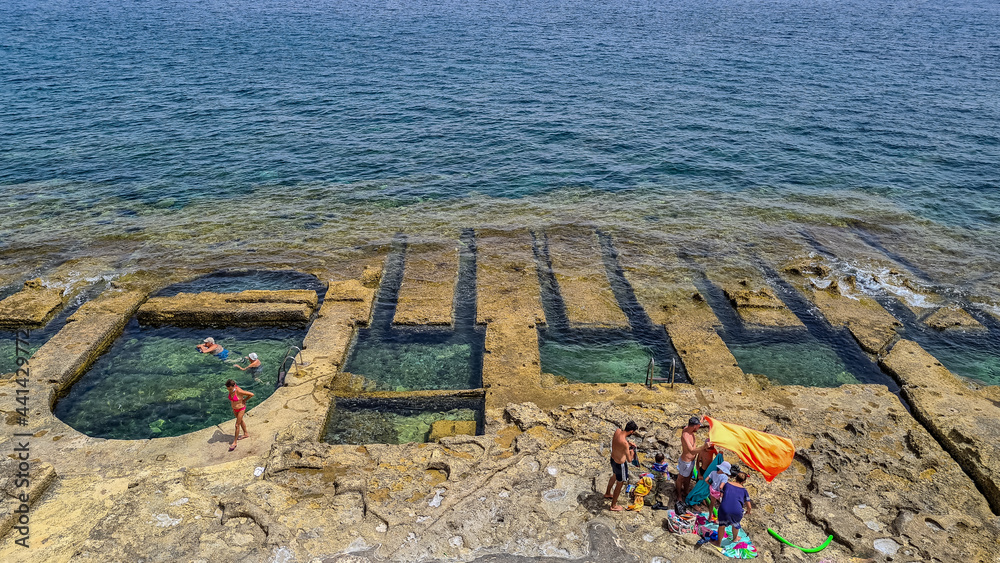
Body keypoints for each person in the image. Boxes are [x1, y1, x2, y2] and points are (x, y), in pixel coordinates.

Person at [707, 471, 751, 548]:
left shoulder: (727, 484)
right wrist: (748, 511)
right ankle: (735, 538)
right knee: (736, 524)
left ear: (735, 478)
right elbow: (749, 506)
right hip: (737, 511)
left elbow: (721, 495)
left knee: (722, 525)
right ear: (744, 481)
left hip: (724, 508)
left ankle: (718, 543)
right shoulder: (744, 491)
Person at [604, 420, 638, 512]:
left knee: (614, 475)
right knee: (620, 483)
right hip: (620, 464)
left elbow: (620, 442)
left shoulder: (617, 431)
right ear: (631, 431)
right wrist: (632, 451)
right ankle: (613, 505)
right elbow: (630, 460)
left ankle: (607, 493)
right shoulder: (625, 443)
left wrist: (628, 445)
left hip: (613, 459)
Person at [677, 416, 712, 505]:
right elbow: (691, 450)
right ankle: (679, 495)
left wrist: (702, 419)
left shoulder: (688, 428)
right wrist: (704, 447)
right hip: (686, 462)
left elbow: (695, 424)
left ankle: (685, 491)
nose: (699, 427)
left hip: (692, 460)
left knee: (688, 477)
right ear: (694, 426)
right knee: (681, 478)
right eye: (698, 426)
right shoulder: (685, 435)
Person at [225, 379, 254, 452]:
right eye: (228, 389)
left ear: (234, 386)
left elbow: (251, 394)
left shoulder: (239, 391)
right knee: (240, 421)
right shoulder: (231, 390)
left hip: (241, 408)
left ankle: (234, 442)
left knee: (237, 425)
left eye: (231, 389)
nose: (229, 391)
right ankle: (246, 434)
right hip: (234, 409)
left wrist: (245, 400)